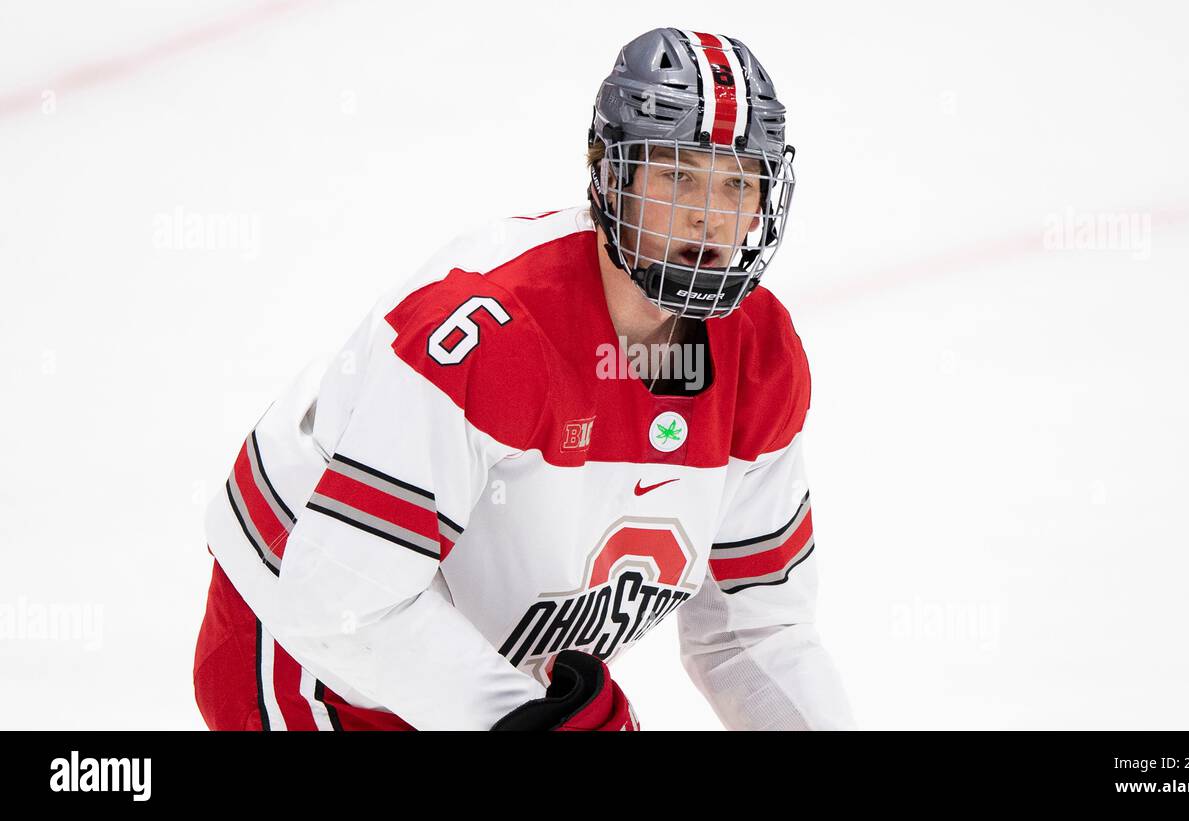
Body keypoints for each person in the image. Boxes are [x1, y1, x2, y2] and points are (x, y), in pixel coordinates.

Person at [193, 27, 856, 731]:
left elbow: (749, 634)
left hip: (473, 656)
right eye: (679, 174)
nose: (709, 214)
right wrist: (528, 720)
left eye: (738, 183)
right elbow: (339, 601)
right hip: (308, 658)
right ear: (611, 175)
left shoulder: (759, 357)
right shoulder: (491, 332)